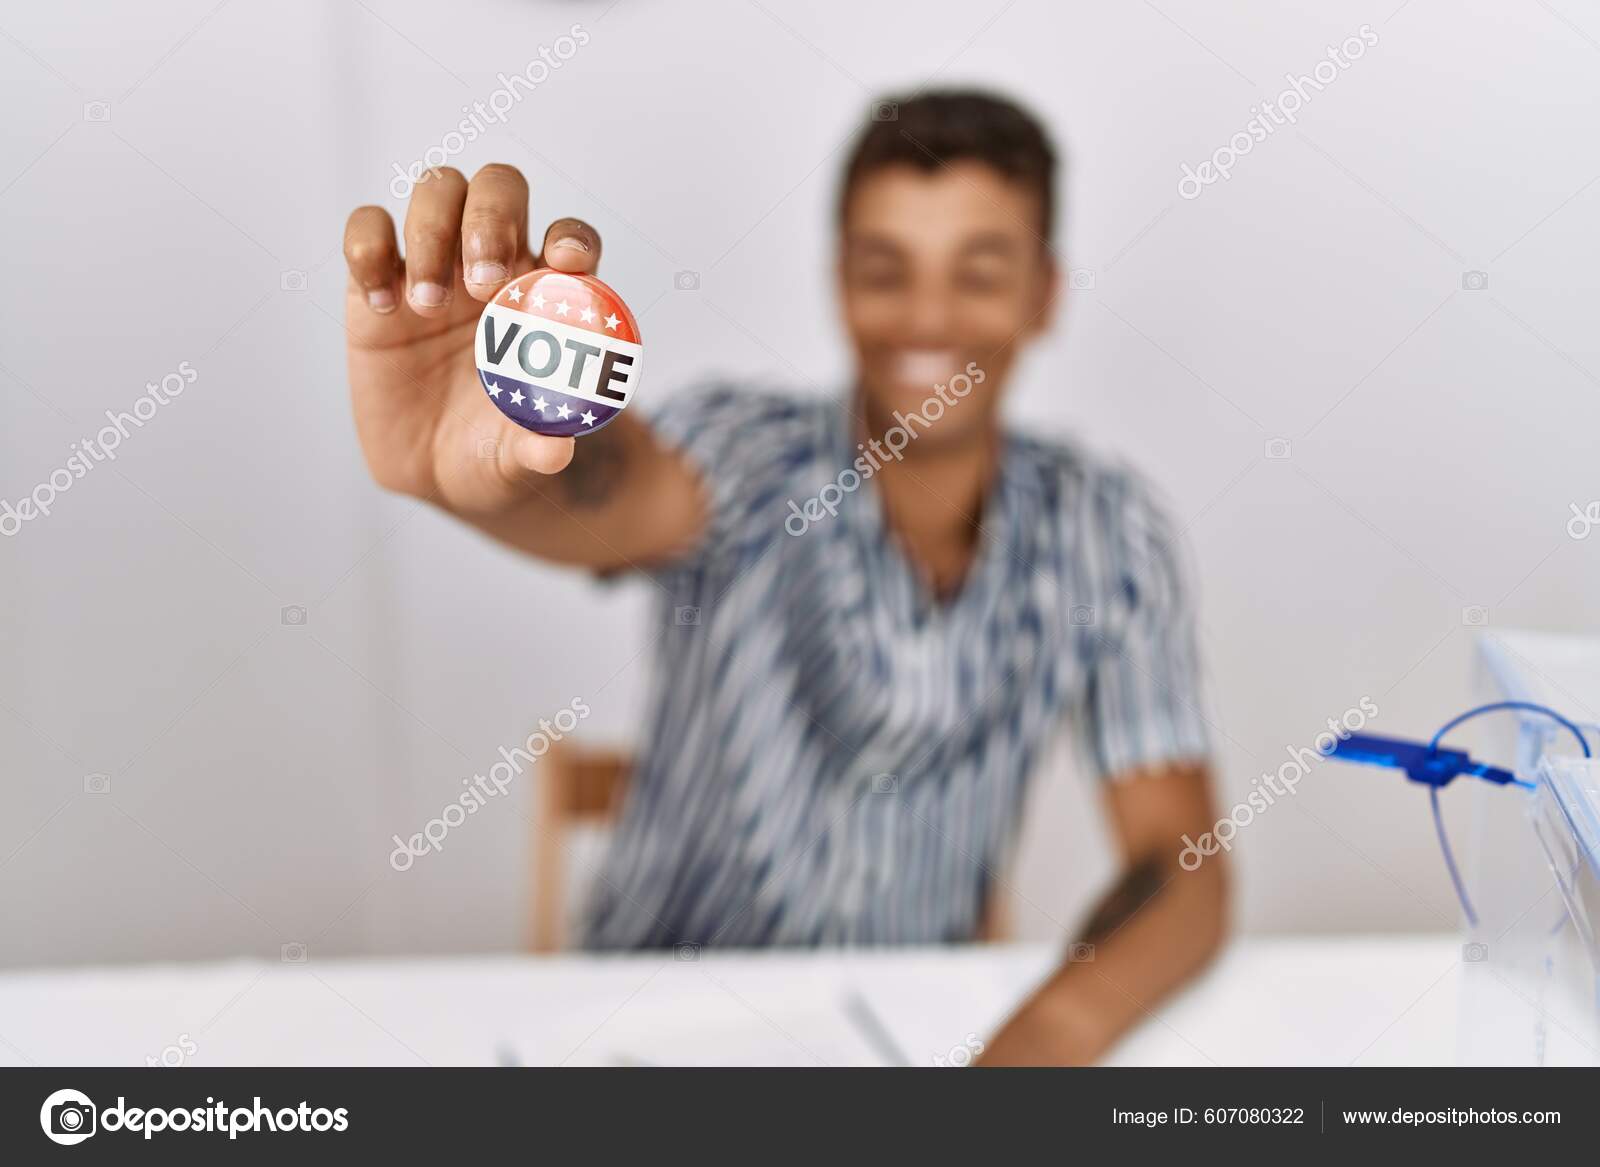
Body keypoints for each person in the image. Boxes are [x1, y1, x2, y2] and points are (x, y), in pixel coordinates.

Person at [341, 90, 1227, 1065]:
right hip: (640, 1038)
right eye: (885, 269)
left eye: (978, 272)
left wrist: (1040, 1044)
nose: (927, 314)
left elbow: (1177, 865)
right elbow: (598, 490)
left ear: (1043, 293)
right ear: (838, 280)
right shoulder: (743, 454)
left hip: (914, 1044)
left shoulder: (1106, 530)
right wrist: (491, 465)